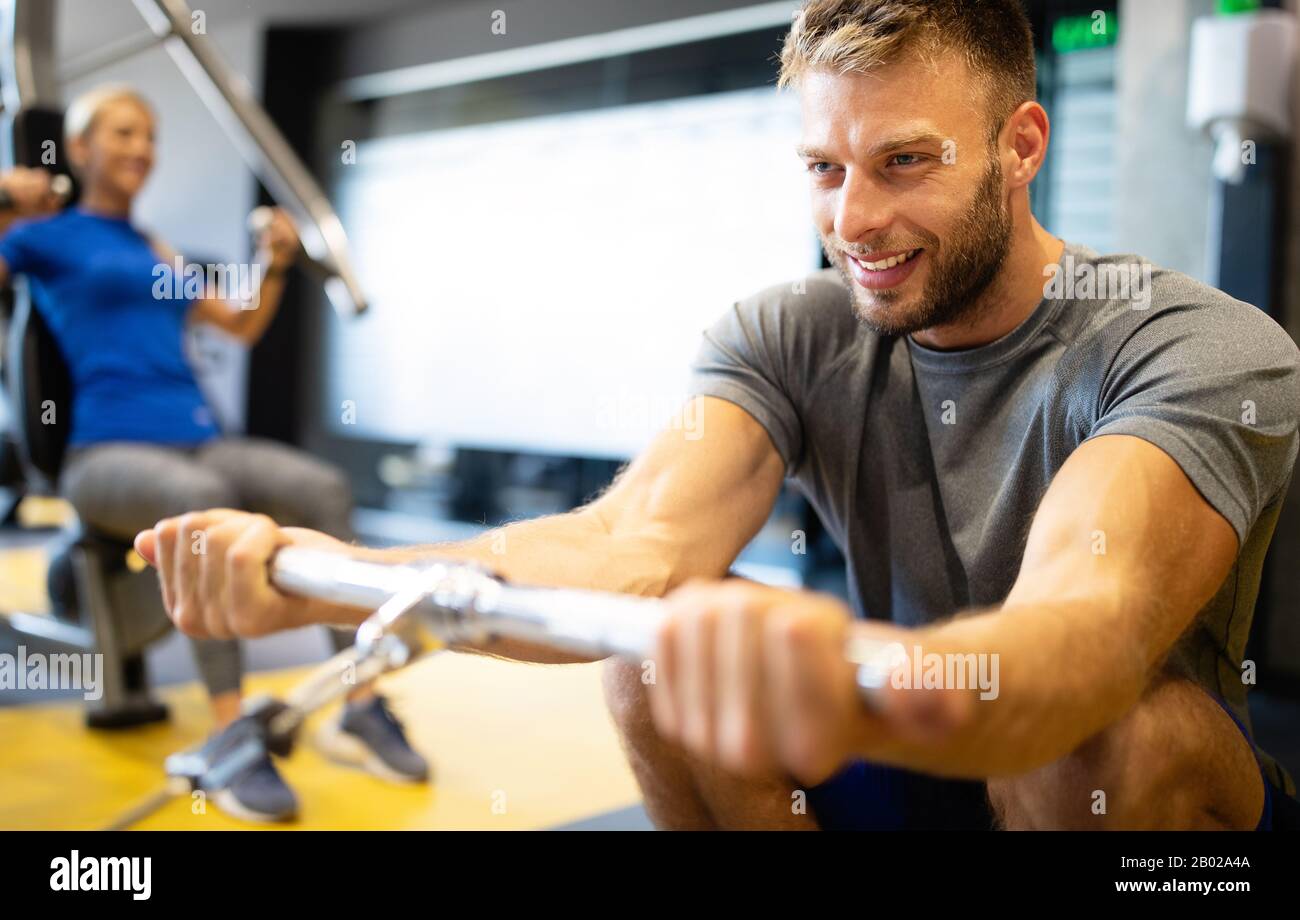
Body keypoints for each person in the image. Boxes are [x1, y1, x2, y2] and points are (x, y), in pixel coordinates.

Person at [133, 0, 1300, 830]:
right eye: (825, 168)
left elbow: (1078, 641)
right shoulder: (794, 330)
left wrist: (839, 669)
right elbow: (624, 545)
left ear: (1020, 148)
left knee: (1102, 739)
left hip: (1121, 799)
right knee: (654, 652)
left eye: (903, 162)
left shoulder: (1187, 346)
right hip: (905, 762)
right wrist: (327, 573)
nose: (854, 219)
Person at [0, 85, 427, 823]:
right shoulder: (44, 237)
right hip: (103, 454)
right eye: (124, 133)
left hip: (199, 442)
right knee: (205, 504)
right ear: (80, 149)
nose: (142, 148)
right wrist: (6, 196)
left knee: (321, 489)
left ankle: (360, 703)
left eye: (150, 135)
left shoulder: (153, 247)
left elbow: (240, 323)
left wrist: (273, 261)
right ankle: (232, 734)